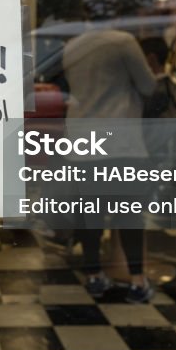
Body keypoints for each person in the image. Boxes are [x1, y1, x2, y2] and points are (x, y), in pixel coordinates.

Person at [62, 28, 157, 303]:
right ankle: (137, 281)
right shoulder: (123, 41)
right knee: (128, 214)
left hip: (82, 140)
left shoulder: (72, 46)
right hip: (120, 141)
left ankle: (94, 276)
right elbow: (148, 86)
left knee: (90, 214)